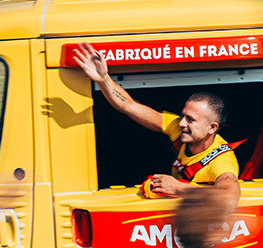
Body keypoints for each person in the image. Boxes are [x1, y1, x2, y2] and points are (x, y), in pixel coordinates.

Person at [70, 42, 241, 208]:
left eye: (191, 119)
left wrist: (178, 188)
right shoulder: (180, 129)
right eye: (183, 116)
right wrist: (103, 79)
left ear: (212, 128)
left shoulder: (222, 162)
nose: (181, 123)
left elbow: (229, 201)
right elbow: (129, 106)